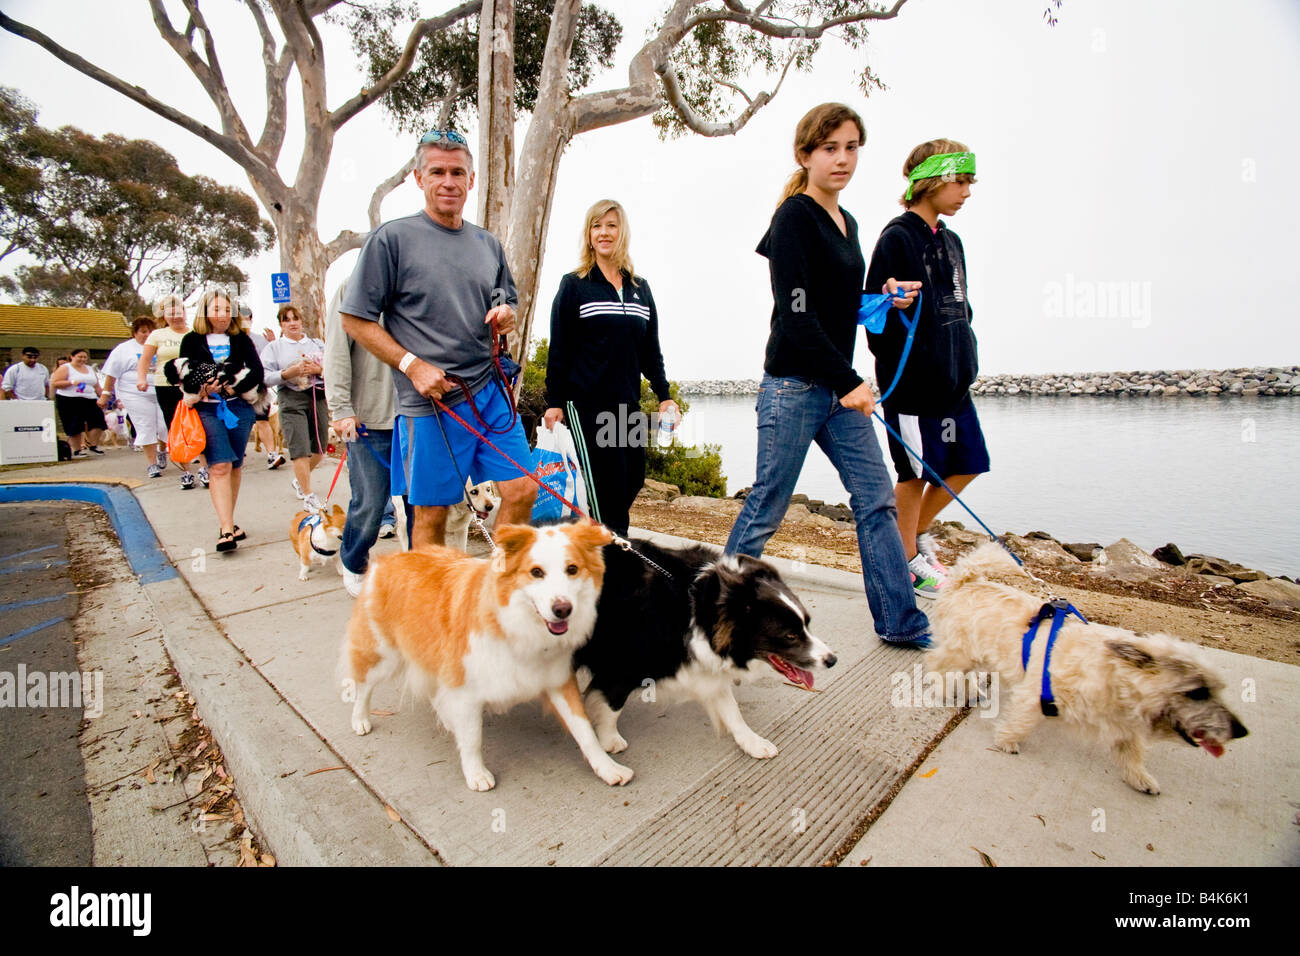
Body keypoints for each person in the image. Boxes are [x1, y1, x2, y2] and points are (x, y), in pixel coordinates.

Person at [723, 102, 933, 649]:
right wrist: (849, 382)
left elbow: (836, 306)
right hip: (794, 386)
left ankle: (901, 623)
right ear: (805, 154)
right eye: (830, 148)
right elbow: (795, 317)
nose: (842, 159)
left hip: (838, 389)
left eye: (851, 147)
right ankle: (713, 612)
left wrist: (881, 297)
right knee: (768, 504)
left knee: (877, 498)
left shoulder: (850, 223)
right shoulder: (794, 217)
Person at [340, 128, 534, 549]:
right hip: (431, 399)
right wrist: (412, 365)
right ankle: (428, 611)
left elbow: (508, 302)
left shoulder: (488, 244)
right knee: (433, 513)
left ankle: (499, 595)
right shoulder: (391, 239)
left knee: (523, 490)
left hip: (489, 391)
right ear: (419, 177)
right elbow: (355, 320)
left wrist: (507, 316)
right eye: (438, 171)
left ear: (471, 180)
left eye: (457, 172)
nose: (449, 181)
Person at [866, 138, 987, 597]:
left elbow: (963, 309)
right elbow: (872, 313)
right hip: (913, 384)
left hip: (955, 383)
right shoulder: (896, 238)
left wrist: (966, 355)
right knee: (914, 474)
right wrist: (891, 300)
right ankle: (909, 562)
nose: (967, 192)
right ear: (931, 180)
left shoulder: (952, 242)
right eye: (960, 181)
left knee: (970, 462)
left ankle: (909, 536)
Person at [542, 200, 677, 536]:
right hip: (586, 407)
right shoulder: (574, 285)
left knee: (632, 479)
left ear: (622, 233)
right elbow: (559, 348)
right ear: (589, 235)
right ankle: (614, 568)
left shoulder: (639, 288)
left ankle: (600, 551)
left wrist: (664, 396)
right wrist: (554, 401)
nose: (604, 232)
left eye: (611, 225)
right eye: (597, 226)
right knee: (606, 494)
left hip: (627, 406)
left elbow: (650, 350)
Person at [325, 278, 398, 597]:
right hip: (370, 417)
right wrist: (341, 408)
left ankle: (420, 571)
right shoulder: (353, 287)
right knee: (369, 503)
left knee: (419, 505)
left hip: (419, 417)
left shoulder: (418, 284)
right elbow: (336, 350)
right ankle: (354, 562)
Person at [178, 289, 263, 553]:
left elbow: (257, 371)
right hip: (205, 409)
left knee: (235, 465)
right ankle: (226, 529)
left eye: (227, 310)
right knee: (220, 466)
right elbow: (183, 372)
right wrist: (203, 388)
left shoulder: (241, 339)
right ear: (205, 312)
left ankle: (231, 521)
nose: (223, 315)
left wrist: (231, 388)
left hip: (238, 407)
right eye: (216, 310)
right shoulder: (192, 340)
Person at [260, 304, 327, 510]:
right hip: (290, 397)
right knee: (300, 449)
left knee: (320, 448)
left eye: (295, 318)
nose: (292, 323)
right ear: (281, 324)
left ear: (301, 321)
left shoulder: (317, 344)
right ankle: (308, 496)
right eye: (287, 320)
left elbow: (333, 367)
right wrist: (287, 373)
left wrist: (318, 369)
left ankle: (300, 479)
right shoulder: (274, 348)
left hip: (316, 395)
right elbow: (264, 375)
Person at [140, 294, 207, 489]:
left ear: (185, 313)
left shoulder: (196, 333)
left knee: (200, 426)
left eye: (179, 312)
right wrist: (142, 378)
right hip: (165, 385)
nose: (176, 316)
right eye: (171, 313)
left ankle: (204, 467)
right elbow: (145, 360)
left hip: (193, 386)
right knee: (176, 428)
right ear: (164, 316)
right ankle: (186, 471)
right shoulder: (157, 335)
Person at [99, 317, 168, 477]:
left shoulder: (161, 345)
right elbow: (111, 374)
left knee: (165, 425)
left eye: (151, 331)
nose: (147, 334)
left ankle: (162, 450)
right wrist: (105, 394)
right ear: (135, 333)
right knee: (146, 426)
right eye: (143, 331)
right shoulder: (123, 349)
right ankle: (152, 464)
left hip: (162, 391)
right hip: (135, 394)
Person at [50, 348, 107, 457]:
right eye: (79, 357)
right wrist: (71, 382)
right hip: (69, 399)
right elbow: (55, 382)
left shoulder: (90, 369)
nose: (82, 359)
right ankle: (77, 449)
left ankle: (93, 445)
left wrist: (103, 396)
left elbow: (96, 385)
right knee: (74, 424)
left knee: (98, 421)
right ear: (72, 357)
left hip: (89, 398)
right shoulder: (65, 368)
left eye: (84, 357)